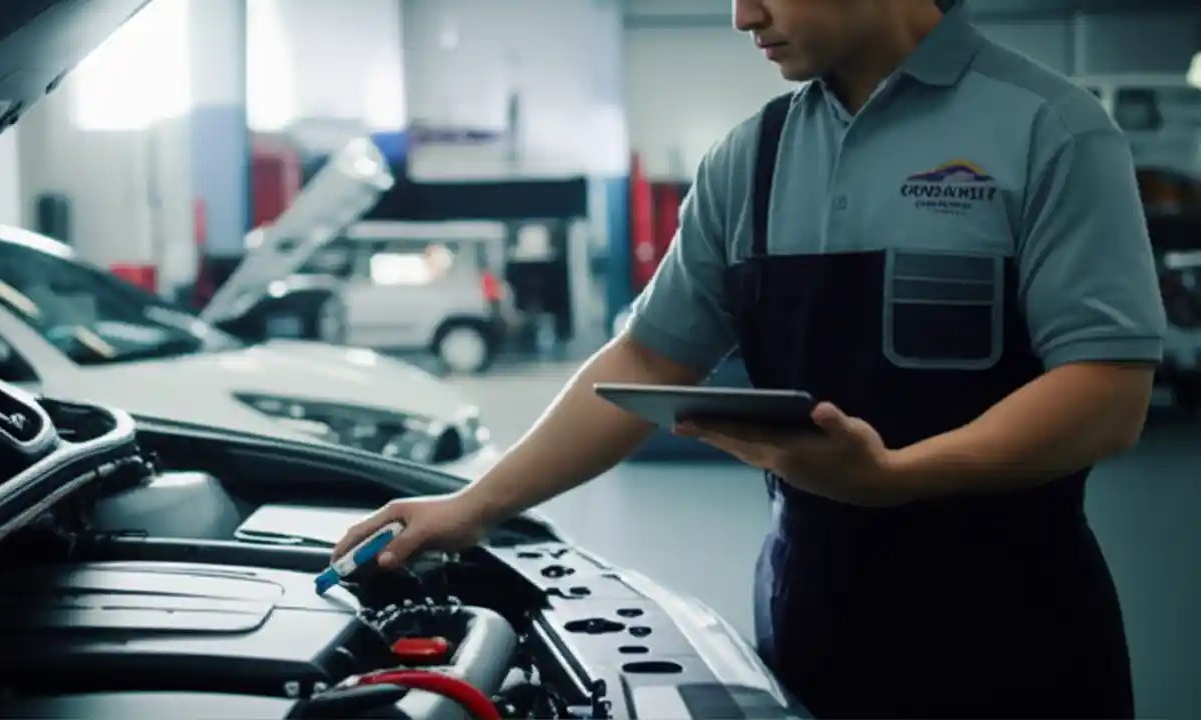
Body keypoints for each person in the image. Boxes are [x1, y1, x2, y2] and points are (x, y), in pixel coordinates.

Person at [333, 0, 1167, 716]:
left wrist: (902, 477)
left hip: (1013, 640)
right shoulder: (751, 159)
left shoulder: (1049, 130)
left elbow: (1105, 389)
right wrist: (472, 506)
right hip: (809, 634)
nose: (742, 16)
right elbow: (651, 360)